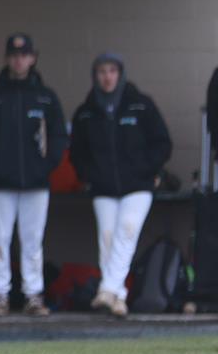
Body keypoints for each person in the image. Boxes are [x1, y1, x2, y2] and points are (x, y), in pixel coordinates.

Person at [0, 32, 68, 317]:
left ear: (33, 58)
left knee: (32, 239)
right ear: (6, 58)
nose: (19, 60)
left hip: (36, 183)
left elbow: (59, 137)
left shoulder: (46, 98)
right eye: (13, 55)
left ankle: (33, 295)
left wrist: (45, 165)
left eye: (24, 55)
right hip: (0, 183)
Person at [70, 52, 171, 317]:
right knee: (107, 237)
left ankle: (107, 288)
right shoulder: (86, 112)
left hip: (138, 185)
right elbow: (77, 152)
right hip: (103, 187)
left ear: (121, 73)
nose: (107, 77)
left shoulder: (141, 105)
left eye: (112, 71)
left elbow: (162, 143)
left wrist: (147, 170)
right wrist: (89, 174)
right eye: (102, 71)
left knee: (127, 231)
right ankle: (117, 297)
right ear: (95, 76)